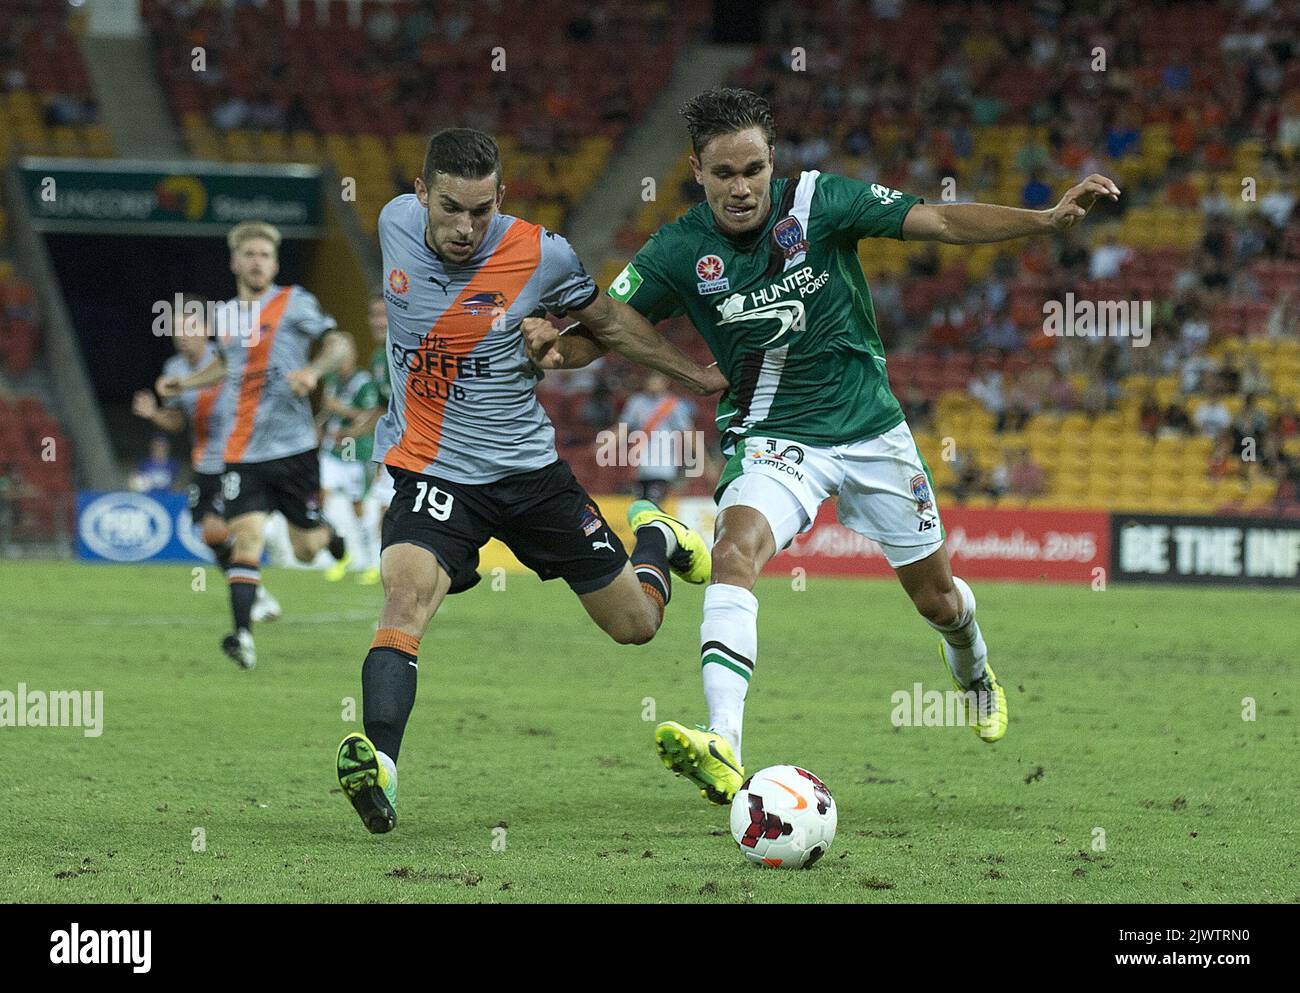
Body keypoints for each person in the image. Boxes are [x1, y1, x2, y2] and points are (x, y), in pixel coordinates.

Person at [525, 87, 1120, 805]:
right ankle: (723, 742)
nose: (741, 189)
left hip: (872, 430)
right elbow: (608, 328)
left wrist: (1044, 219)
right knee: (736, 552)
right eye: (723, 174)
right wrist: (555, 351)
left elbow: (936, 219)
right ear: (697, 171)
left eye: (753, 170)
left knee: (938, 601)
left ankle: (974, 670)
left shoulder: (822, 203)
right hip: (773, 435)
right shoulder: (680, 249)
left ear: (773, 162)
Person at [334, 128, 727, 834]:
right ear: (420, 194)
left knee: (635, 626)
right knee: (404, 597)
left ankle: (659, 541)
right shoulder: (393, 223)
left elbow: (607, 325)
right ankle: (382, 770)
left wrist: (694, 375)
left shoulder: (542, 255)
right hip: (433, 468)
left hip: (529, 474)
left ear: (501, 198)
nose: (464, 227)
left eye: (481, 212)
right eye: (450, 208)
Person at [158, 221, 352, 670]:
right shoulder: (225, 317)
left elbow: (338, 342)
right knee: (246, 538)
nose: (257, 261)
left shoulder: (295, 302)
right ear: (235, 261)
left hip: (294, 450)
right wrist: (184, 382)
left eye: (265, 255)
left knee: (306, 548)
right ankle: (242, 636)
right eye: (249, 254)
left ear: (275, 262)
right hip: (242, 452)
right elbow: (225, 366)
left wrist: (314, 372)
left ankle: (328, 534)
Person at [133, 295, 281, 621]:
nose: (182, 334)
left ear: (206, 330)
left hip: (237, 458)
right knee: (210, 534)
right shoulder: (173, 368)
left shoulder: (226, 358)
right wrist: (154, 413)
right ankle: (253, 592)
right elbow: (177, 421)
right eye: (176, 329)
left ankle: (253, 591)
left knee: (224, 530)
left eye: (189, 326)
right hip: (204, 463)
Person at [317, 349, 381, 581]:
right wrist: (319, 422)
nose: (340, 363)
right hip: (332, 451)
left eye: (343, 357)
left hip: (355, 452)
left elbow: (369, 415)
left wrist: (339, 408)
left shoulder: (364, 383)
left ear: (352, 357)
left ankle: (372, 560)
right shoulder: (332, 380)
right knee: (320, 500)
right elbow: (327, 410)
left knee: (358, 508)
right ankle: (340, 554)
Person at [617, 371, 696, 502]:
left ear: (665, 382)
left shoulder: (675, 404)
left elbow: (687, 432)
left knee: (654, 504)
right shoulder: (636, 402)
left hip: (663, 466)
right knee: (640, 505)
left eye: (656, 380)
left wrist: (701, 458)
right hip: (641, 464)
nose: (652, 383)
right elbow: (623, 428)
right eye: (650, 380)